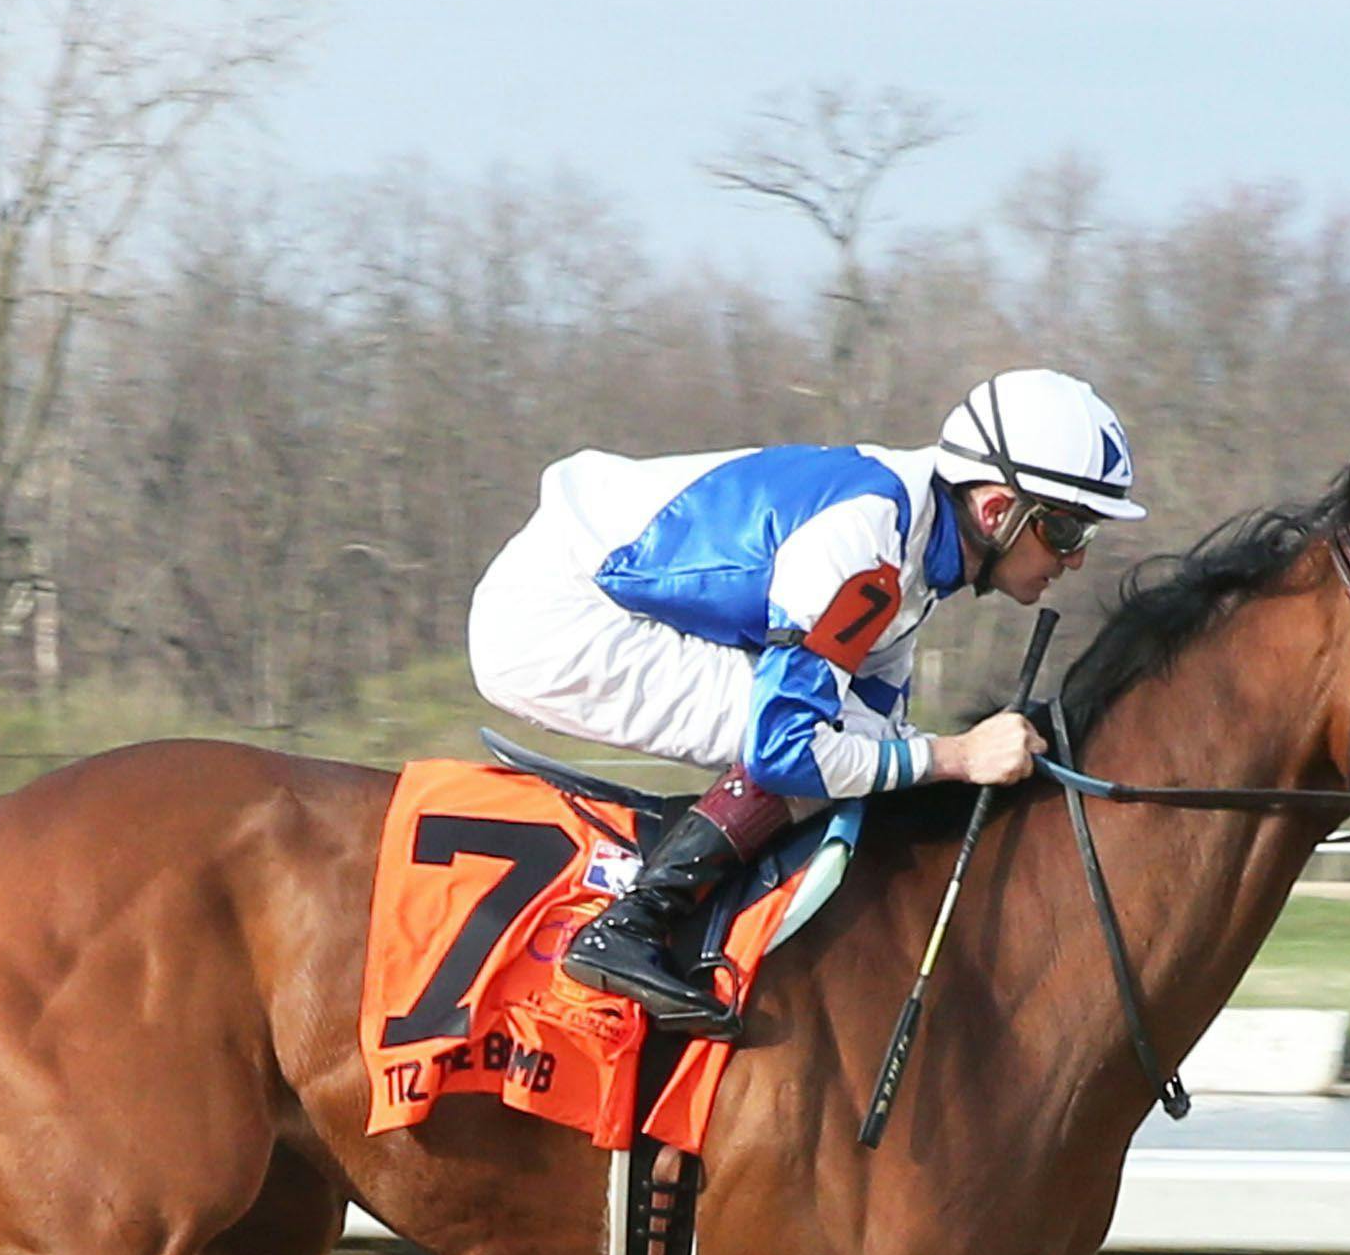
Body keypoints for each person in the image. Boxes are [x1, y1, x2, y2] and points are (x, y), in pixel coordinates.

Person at [466, 367, 1144, 1038]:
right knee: (818, 746)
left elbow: (878, 726)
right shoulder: (870, 540)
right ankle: (630, 924)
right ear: (997, 510)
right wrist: (957, 755)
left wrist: (916, 756)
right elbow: (787, 751)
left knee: (864, 740)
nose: (1075, 558)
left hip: (588, 591)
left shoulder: (916, 547)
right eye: (1065, 530)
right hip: (554, 618)